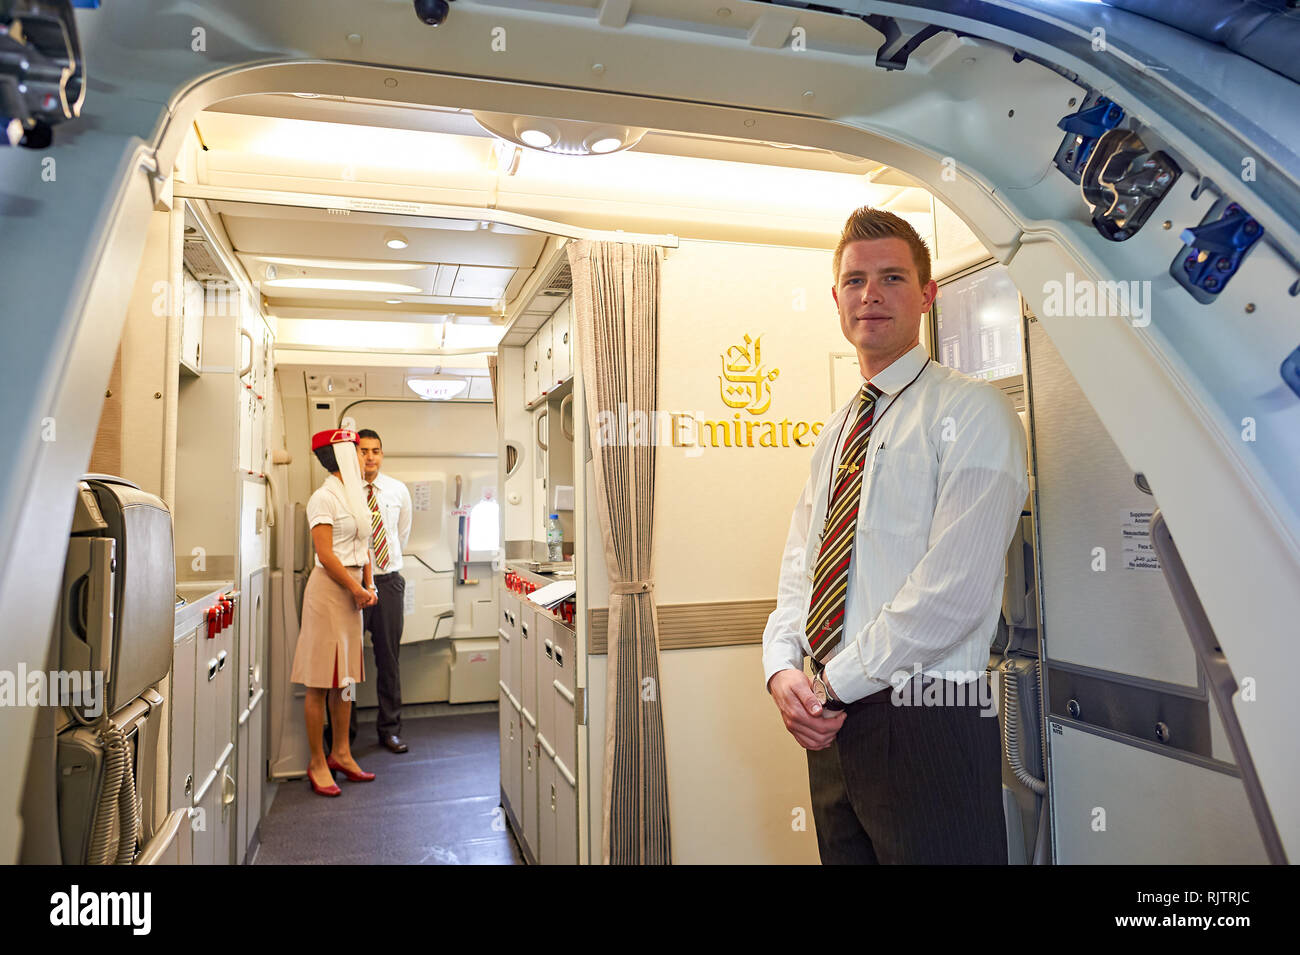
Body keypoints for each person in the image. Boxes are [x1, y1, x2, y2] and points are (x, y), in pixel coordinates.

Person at [762, 206, 1029, 864]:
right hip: (833, 724)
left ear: (927, 294)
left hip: (926, 716)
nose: (870, 294)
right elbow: (803, 560)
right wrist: (780, 668)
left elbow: (953, 592)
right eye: (854, 280)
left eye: (892, 277)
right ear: (836, 298)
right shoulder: (836, 430)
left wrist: (827, 685)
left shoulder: (973, 413)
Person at [291, 428, 379, 796]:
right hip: (331, 592)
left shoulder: (356, 495)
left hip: (354, 591)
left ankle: (341, 752)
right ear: (340, 456)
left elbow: (366, 545)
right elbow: (326, 555)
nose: (366, 458)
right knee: (320, 682)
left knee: (346, 682)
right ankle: (317, 760)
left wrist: (369, 584)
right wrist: (357, 588)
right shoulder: (323, 498)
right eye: (359, 452)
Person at [355, 428, 413, 754]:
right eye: (364, 451)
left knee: (388, 659)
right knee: (349, 662)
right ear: (355, 454)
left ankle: (390, 729)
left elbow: (400, 535)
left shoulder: (397, 491)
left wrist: (380, 569)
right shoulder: (345, 492)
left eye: (375, 450)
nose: (370, 457)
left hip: (388, 581)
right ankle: (343, 735)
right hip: (353, 583)